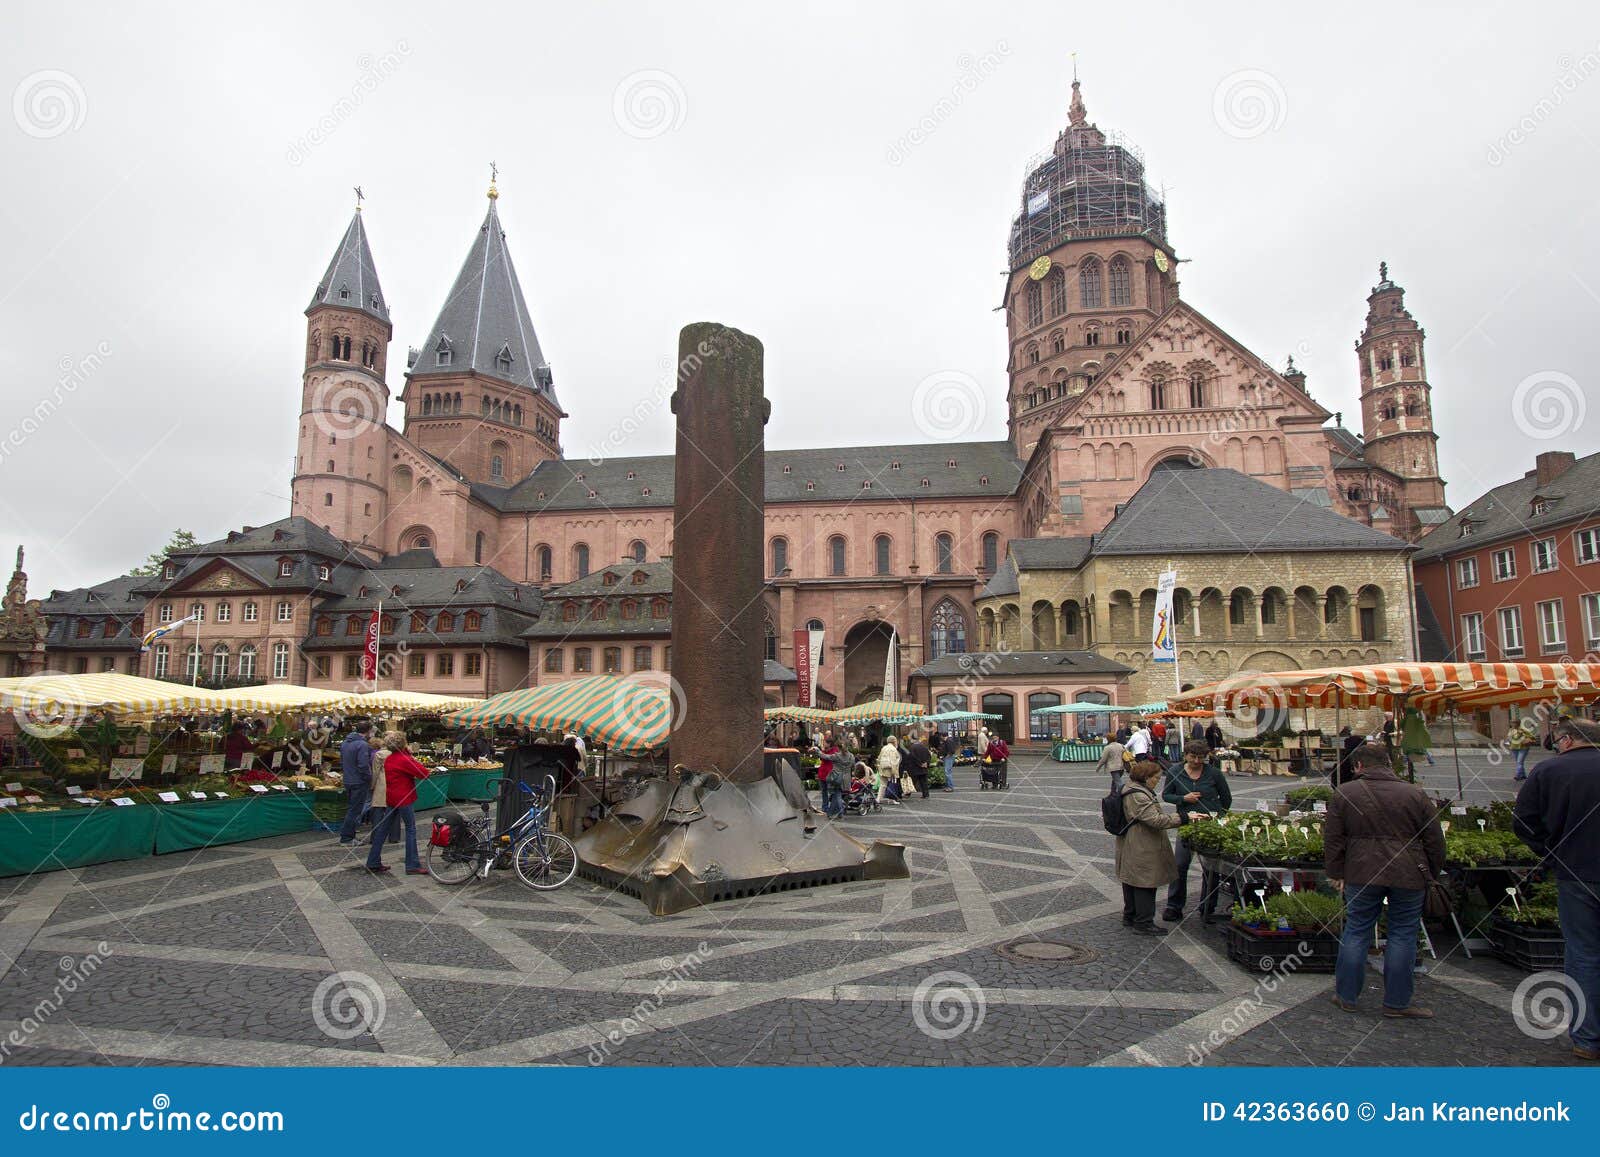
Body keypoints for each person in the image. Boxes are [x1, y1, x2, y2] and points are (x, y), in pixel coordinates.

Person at [1325, 742, 1446, 1019]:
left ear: (1358, 766)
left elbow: (1333, 839)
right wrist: (1432, 872)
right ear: (1389, 763)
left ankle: (1346, 996)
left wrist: (1335, 872)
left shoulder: (1345, 793)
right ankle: (1396, 1002)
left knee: (1356, 931)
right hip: (1408, 873)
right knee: (1403, 935)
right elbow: (1434, 840)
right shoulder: (1414, 793)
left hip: (1361, 871)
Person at [1513, 718, 1600, 1060]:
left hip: (1575, 871)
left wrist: (1549, 850)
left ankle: (1588, 1039)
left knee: (1583, 953)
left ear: (1566, 741)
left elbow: (1523, 822)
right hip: (1576, 869)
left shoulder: (1549, 771)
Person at [1116, 759, 1206, 935]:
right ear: (1146, 777)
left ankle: (1131, 916)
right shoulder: (1139, 795)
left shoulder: (1132, 788)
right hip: (1142, 842)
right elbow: (1155, 820)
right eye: (1156, 778)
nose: (1158, 781)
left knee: (1132, 879)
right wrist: (1185, 817)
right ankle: (1143, 922)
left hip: (1133, 840)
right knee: (1145, 881)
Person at [1162, 741, 1232, 923]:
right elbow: (1166, 795)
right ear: (1186, 755)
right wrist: (1183, 798)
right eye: (1193, 757)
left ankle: (1208, 907)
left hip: (1209, 826)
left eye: (1201, 757)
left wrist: (1216, 816)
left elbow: (1226, 798)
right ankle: (1174, 906)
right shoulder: (1175, 772)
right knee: (1179, 865)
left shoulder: (1213, 774)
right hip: (1187, 824)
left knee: (1210, 868)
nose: (1196, 760)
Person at [366, 731, 433, 875]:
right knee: (410, 829)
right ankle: (412, 864)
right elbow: (424, 774)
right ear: (403, 744)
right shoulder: (404, 759)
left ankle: (373, 861)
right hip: (404, 798)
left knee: (383, 829)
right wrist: (409, 756)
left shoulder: (389, 759)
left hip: (391, 797)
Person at [337, 722, 374, 845]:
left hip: (348, 779)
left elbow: (342, 761)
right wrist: (369, 778)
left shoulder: (345, 743)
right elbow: (363, 765)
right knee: (355, 810)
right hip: (359, 781)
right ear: (368, 731)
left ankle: (348, 836)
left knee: (352, 808)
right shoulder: (362, 744)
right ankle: (347, 838)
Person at [818, 732, 846, 818]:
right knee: (824, 792)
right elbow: (822, 758)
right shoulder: (824, 750)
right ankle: (825, 808)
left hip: (831, 776)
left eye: (824, 743)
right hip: (822, 774)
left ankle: (835, 810)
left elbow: (827, 758)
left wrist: (819, 752)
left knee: (834, 793)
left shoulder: (835, 751)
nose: (823, 744)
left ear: (829, 744)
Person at [903, 734, 932, 799]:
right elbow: (929, 756)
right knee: (924, 782)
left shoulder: (912, 748)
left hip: (915, 768)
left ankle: (907, 794)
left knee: (911, 782)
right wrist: (926, 763)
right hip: (924, 768)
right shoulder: (924, 747)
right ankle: (926, 795)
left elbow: (913, 758)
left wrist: (920, 764)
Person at [875, 734, 901, 804]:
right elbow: (893, 761)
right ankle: (891, 799)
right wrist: (894, 772)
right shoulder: (893, 749)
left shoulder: (884, 748)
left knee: (883, 784)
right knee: (892, 784)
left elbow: (879, 758)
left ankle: (878, 799)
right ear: (894, 741)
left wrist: (879, 767)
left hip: (882, 769)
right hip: (890, 769)